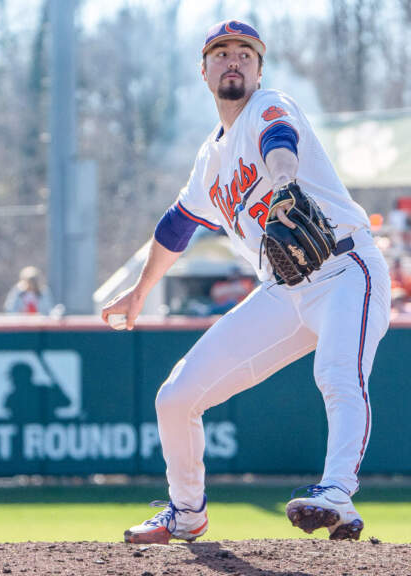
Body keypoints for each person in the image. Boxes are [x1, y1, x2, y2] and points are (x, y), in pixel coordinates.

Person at [100, 20, 390, 545]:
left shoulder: (268, 106)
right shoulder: (210, 159)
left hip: (348, 268)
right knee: (176, 396)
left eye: (245, 54)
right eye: (221, 53)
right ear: (204, 70)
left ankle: (337, 493)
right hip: (285, 290)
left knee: (338, 374)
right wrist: (141, 290)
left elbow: (280, 143)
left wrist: (282, 183)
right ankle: (186, 512)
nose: (233, 60)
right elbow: (178, 224)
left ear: (258, 70)